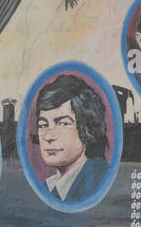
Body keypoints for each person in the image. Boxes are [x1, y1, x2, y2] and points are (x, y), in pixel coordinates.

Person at [33, 73, 109, 203]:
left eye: (63, 124)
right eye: (43, 125)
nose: (48, 136)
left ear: (87, 128)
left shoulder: (101, 181)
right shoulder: (47, 188)